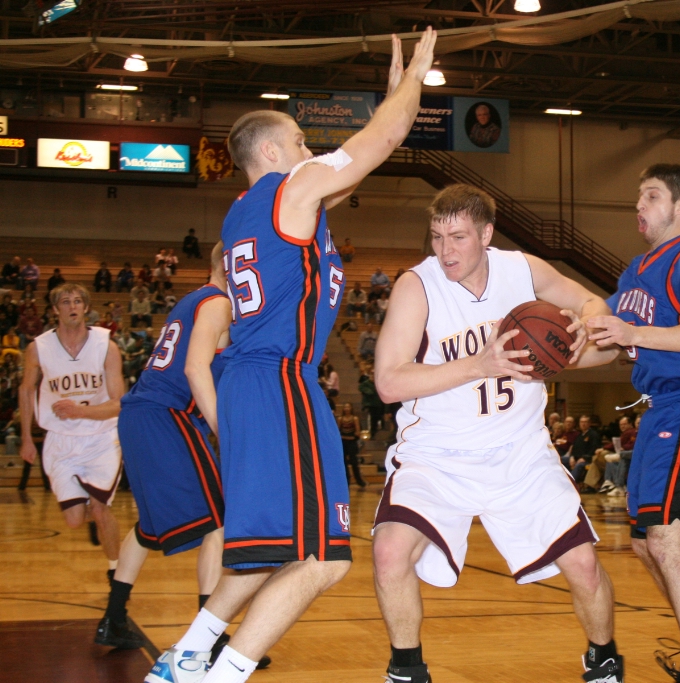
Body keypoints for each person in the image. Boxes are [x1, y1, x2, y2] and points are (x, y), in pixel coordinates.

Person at [145, 29, 438, 683]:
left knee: (264, 551)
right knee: (325, 558)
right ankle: (223, 673)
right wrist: (417, 76)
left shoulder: (248, 213)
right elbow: (380, 142)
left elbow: (366, 159)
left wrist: (394, 98)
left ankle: (186, 658)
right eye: (305, 143)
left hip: (255, 383)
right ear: (276, 152)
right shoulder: (293, 187)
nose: (315, 153)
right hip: (281, 380)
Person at [373, 182, 622, 683]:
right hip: (436, 455)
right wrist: (479, 364)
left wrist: (585, 326)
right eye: (437, 236)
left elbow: (594, 303)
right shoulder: (416, 285)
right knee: (389, 551)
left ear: (486, 234)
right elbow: (387, 382)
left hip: (520, 453)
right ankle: (407, 670)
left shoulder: (523, 269)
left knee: (584, 565)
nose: (445, 250)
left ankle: (604, 659)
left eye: (458, 237)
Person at [586, 164, 680, 683]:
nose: (639, 205)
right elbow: (601, 331)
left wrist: (632, 331)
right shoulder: (634, 272)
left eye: (651, 196)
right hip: (659, 410)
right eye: (638, 196)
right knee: (643, 541)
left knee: (668, 538)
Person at [95, 244, 232, 651]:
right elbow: (193, 369)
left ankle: (114, 618)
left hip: (140, 415)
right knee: (218, 522)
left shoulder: (193, 300)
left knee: (148, 529)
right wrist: (222, 430)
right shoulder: (219, 303)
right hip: (165, 415)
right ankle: (210, 640)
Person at [18, 284, 124, 583]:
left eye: (78, 301)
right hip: (60, 439)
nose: (72, 306)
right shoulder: (38, 347)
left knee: (102, 511)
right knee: (74, 520)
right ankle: (89, 511)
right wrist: (27, 437)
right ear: (55, 310)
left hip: (101, 436)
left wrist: (82, 412)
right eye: (65, 302)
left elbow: (118, 403)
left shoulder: (107, 345)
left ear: (86, 307)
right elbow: (26, 390)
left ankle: (117, 577)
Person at [338, 402, 366, 488]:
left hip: (352, 443)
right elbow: (338, 431)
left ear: (351, 408)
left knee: (354, 462)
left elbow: (357, 432)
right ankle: (346, 481)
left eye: (348, 407)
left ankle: (359, 481)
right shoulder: (340, 419)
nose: (346, 409)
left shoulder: (354, 419)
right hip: (343, 443)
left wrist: (352, 436)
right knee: (344, 463)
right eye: (345, 407)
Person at [568, 414, 602, 484]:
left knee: (579, 465)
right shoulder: (579, 435)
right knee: (560, 460)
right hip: (577, 458)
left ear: (589, 423)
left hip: (589, 459)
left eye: (585, 422)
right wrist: (572, 457)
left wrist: (584, 458)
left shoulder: (593, 434)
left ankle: (570, 483)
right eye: (581, 422)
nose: (583, 424)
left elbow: (594, 449)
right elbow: (574, 448)